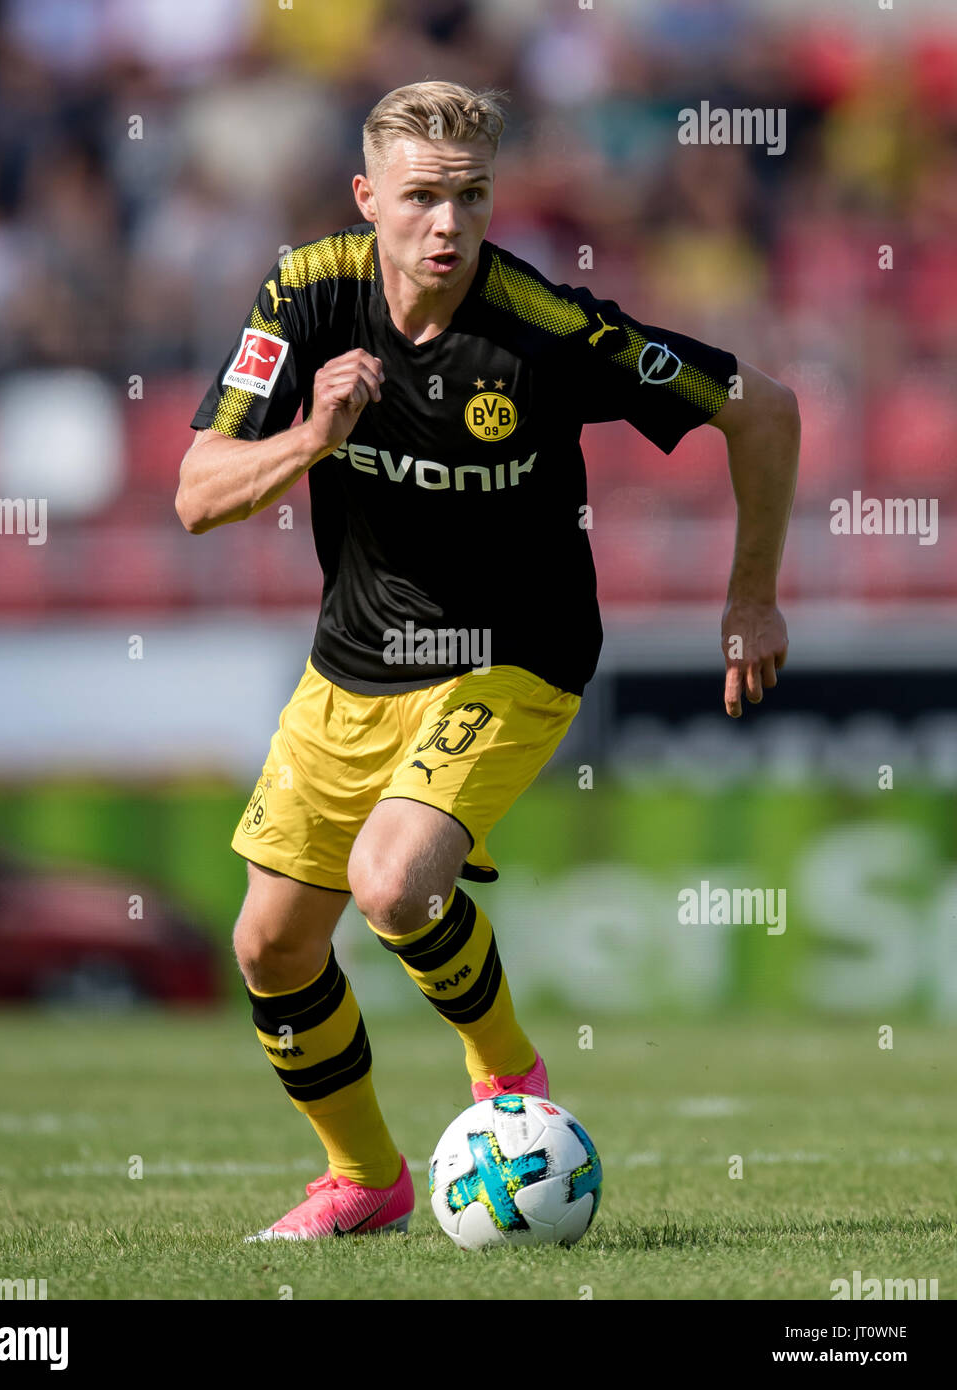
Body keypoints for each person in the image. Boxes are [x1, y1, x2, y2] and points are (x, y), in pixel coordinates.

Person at [177, 80, 799, 1241]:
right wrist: (312, 435)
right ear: (368, 198)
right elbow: (195, 493)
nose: (447, 226)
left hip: (513, 654)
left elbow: (763, 410)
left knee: (393, 881)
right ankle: (363, 1179)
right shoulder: (302, 298)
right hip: (350, 662)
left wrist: (750, 596)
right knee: (267, 943)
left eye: (469, 196)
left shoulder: (546, 330)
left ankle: (508, 1082)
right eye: (419, 198)